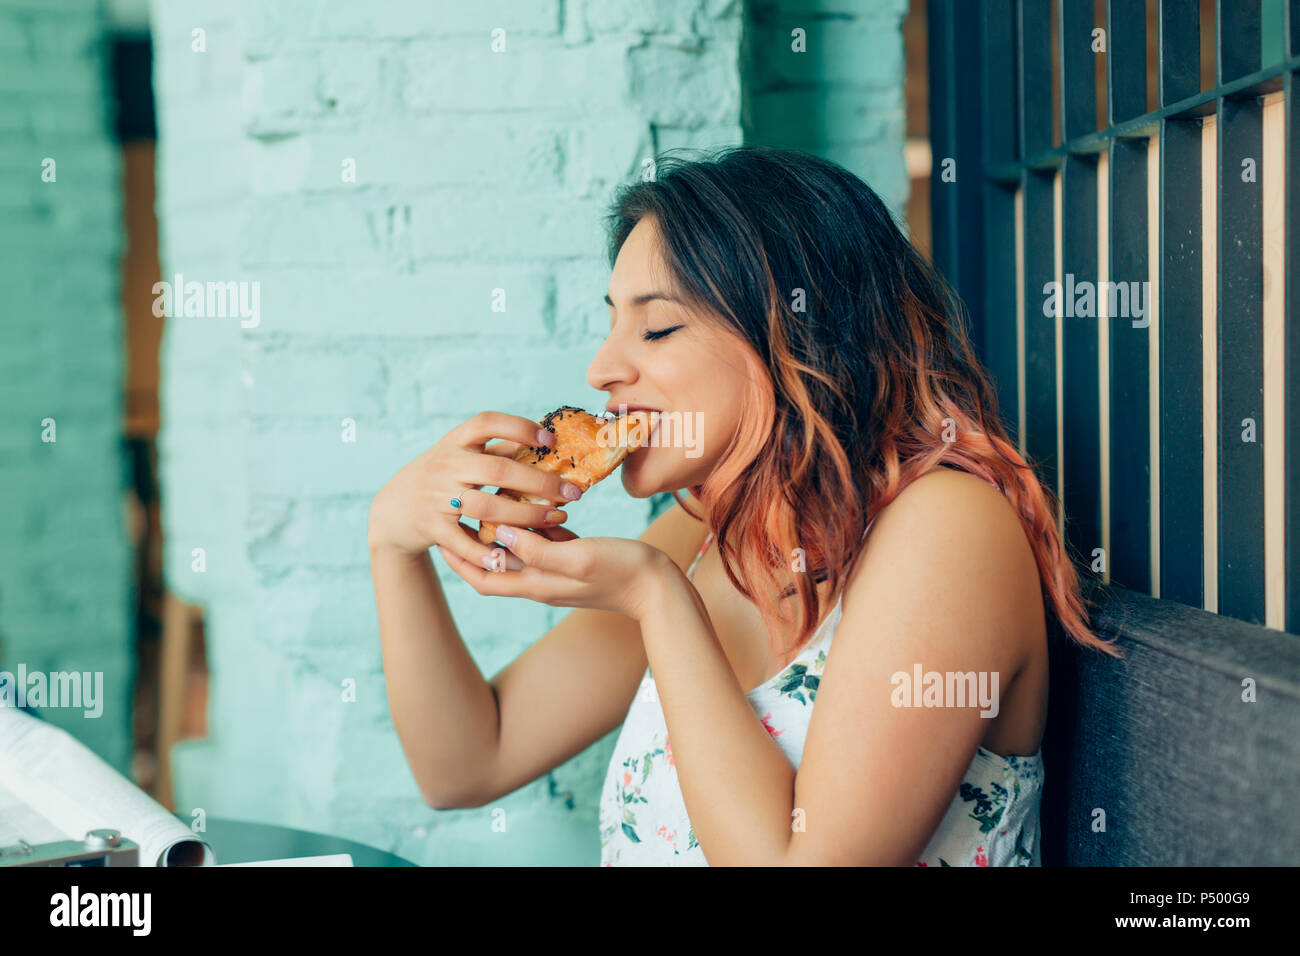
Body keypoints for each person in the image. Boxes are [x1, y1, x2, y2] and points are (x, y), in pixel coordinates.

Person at [367, 146, 1122, 866]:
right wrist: (393, 546)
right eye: (611, 322)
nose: (602, 368)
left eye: (657, 327)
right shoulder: (702, 536)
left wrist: (655, 599)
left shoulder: (949, 528)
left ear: (797, 330)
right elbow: (469, 761)